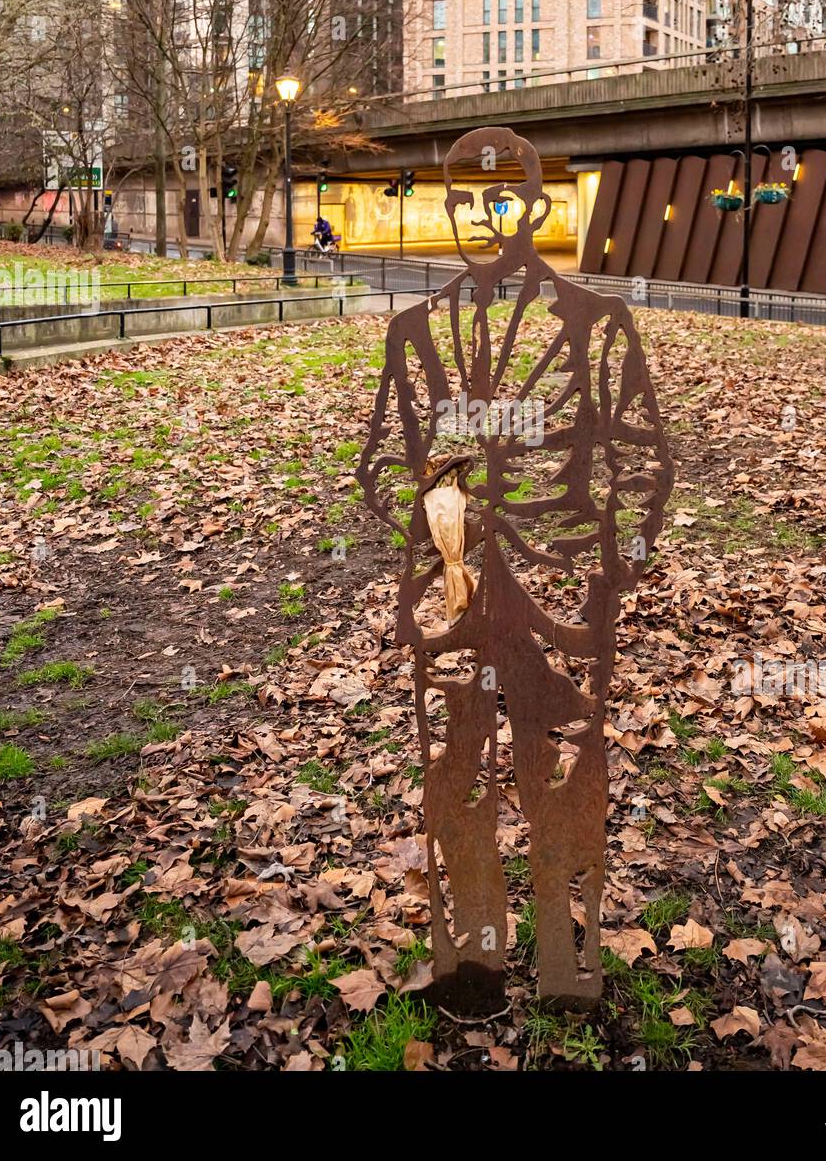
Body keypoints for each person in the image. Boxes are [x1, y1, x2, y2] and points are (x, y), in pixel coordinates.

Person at [359, 126, 673, 1012]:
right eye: (461, 201)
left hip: (562, 594)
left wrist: (618, 563)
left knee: (559, 772)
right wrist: (435, 517)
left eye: (497, 200)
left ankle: (568, 963)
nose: (477, 217)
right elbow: (381, 464)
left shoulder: (595, 323)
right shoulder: (416, 330)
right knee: (456, 772)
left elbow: (642, 459)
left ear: (535, 205)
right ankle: (472, 960)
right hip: (456, 590)